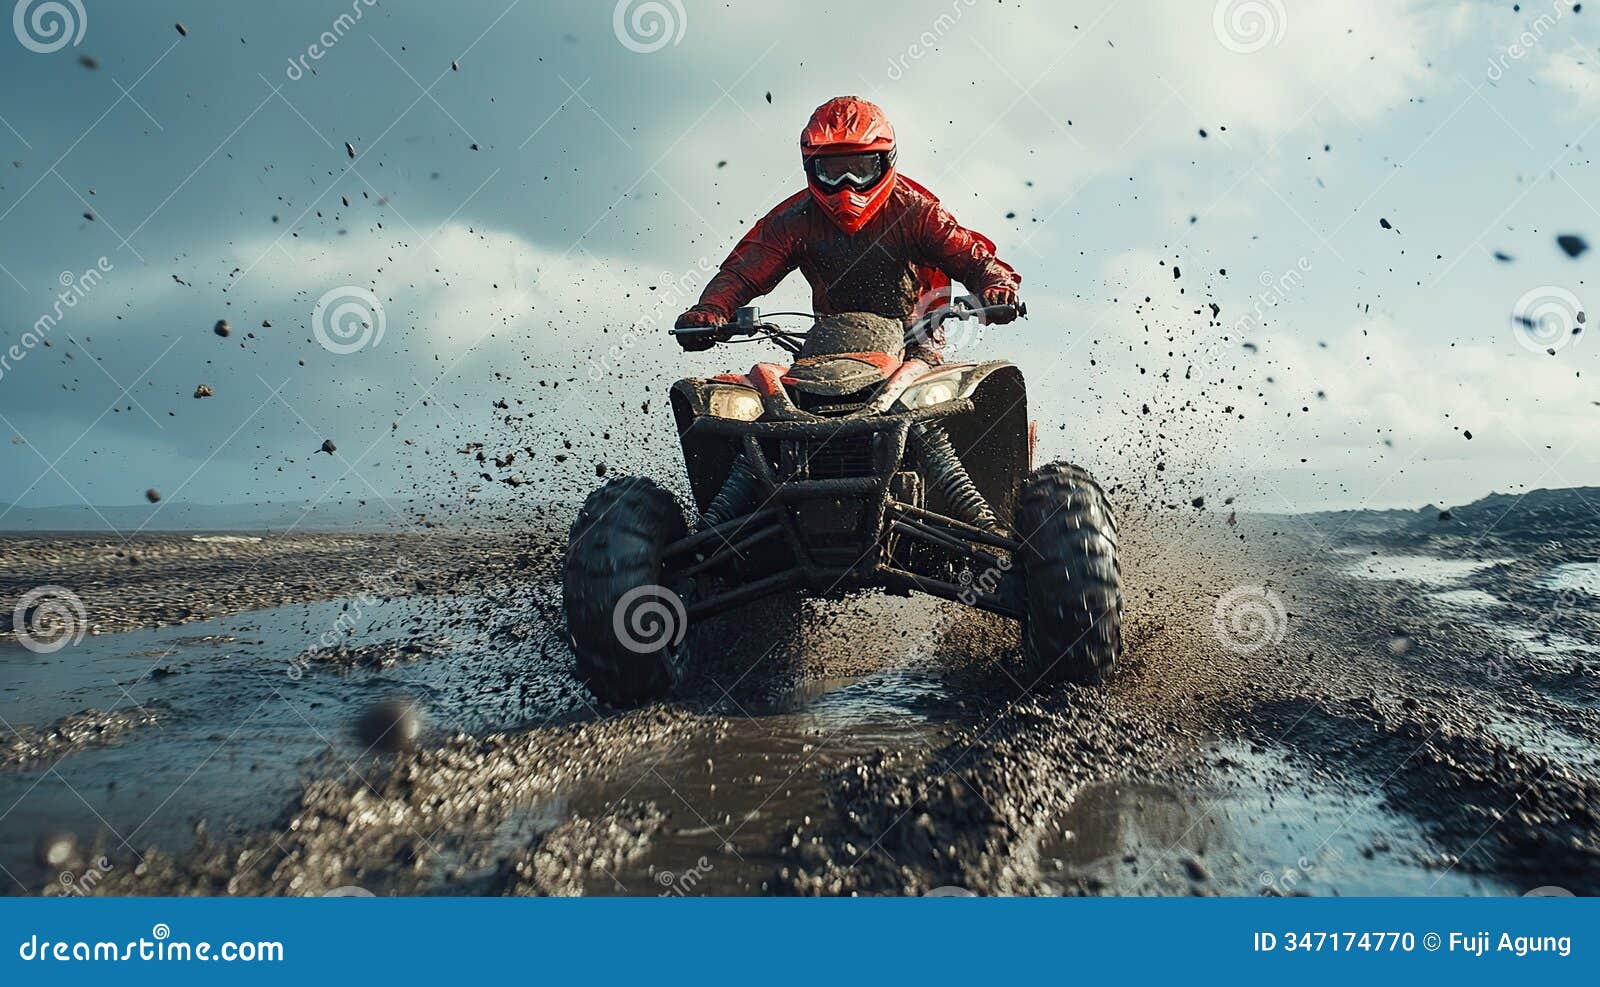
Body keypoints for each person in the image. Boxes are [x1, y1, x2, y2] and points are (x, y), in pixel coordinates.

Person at [673, 95, 1020, 363]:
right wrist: (711, 310)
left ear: (885, 163)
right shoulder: (792, 220)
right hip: (831, 344)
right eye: (833, 170)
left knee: (964, 396)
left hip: (917, 338)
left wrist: (997, 286)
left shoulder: (916, 211)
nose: (846, 185)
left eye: (859, 168)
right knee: (753, 401)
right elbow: (744, 273)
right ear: (811, 168)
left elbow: (972, 257)